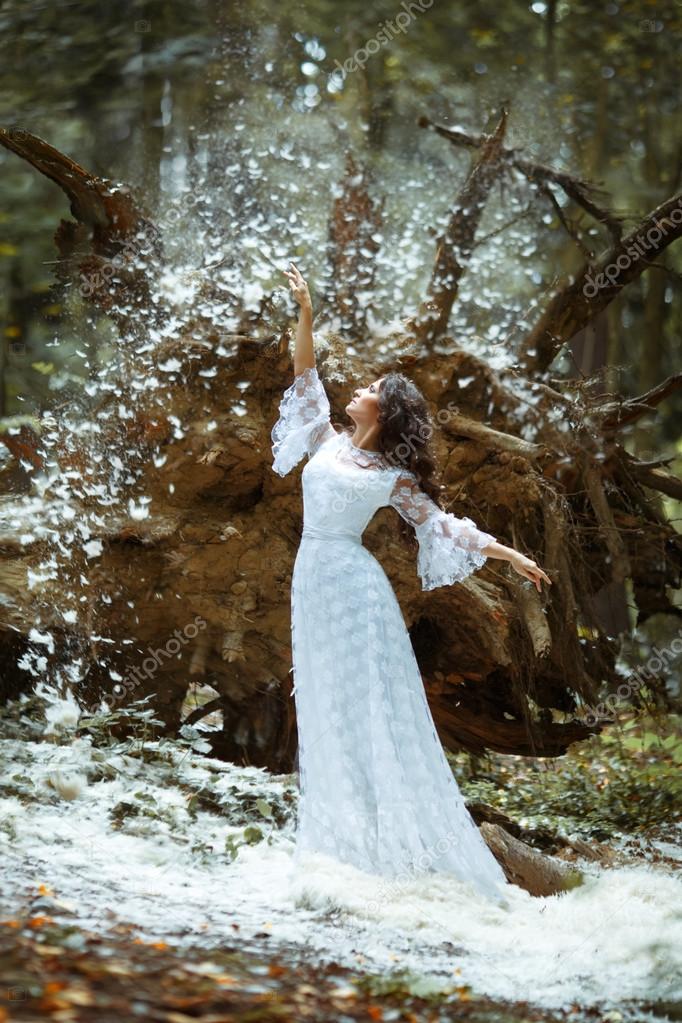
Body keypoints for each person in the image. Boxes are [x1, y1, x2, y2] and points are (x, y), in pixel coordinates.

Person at [271, 262, 551, 905]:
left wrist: (507, 554)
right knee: (324, 701)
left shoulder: (391, 475)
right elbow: (303, 373)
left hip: (356, 590)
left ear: (384, 410)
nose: (359, 387)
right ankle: (341, 845)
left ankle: (396, 852)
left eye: (370, 387)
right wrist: (306, 310)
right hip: (312, 583)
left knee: (369, 702)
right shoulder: (327, 434)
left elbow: (444, 525)